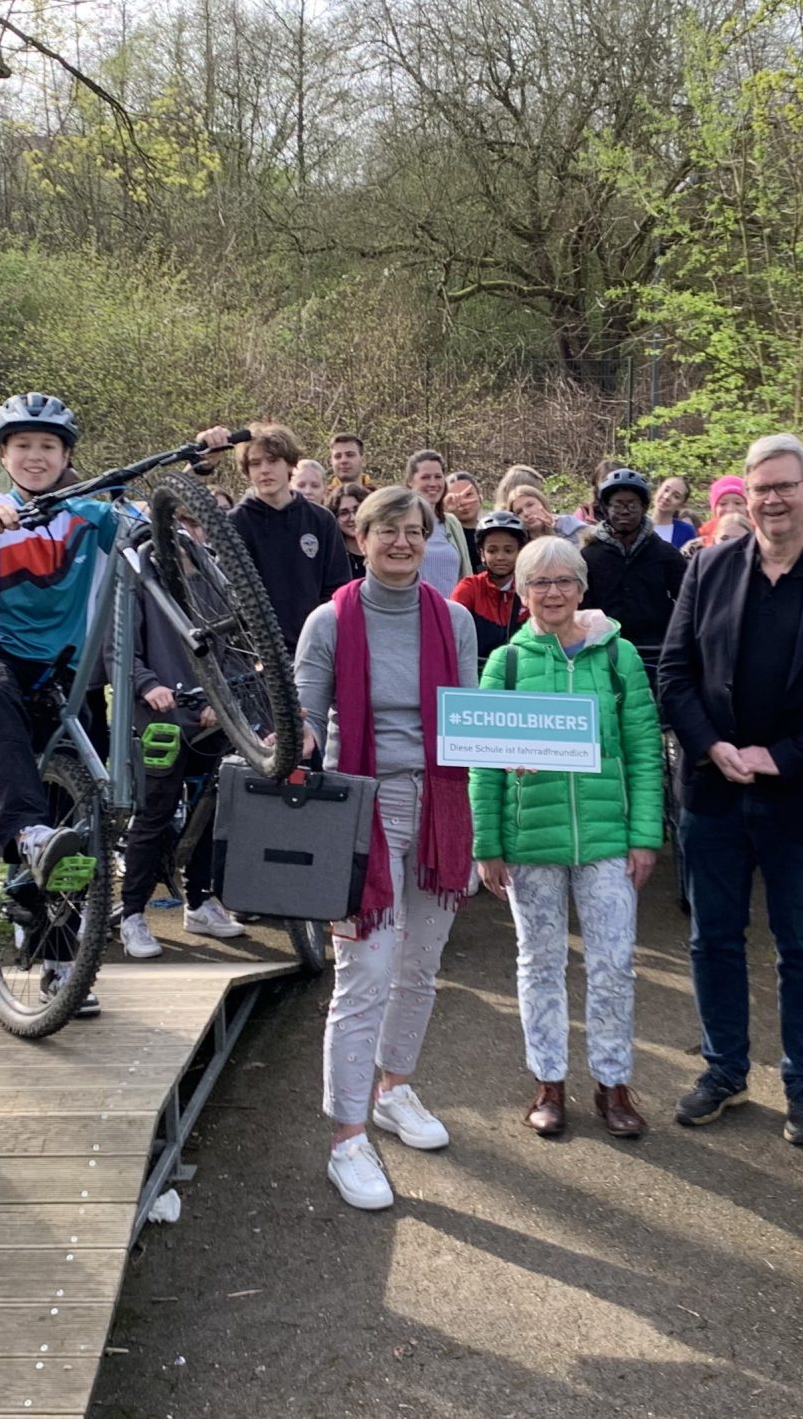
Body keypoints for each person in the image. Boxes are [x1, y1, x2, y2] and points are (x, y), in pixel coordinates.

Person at [0, 394, 234, 1018]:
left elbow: (159, 518)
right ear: (4, 455)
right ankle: (25, 837)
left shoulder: (94, 515)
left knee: (78, 819)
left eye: (48, 446)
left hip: (67, 676)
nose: (35, 456)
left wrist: (195, 462)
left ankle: (61, 959)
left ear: (67, 455)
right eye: (22, 446)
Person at [659, 434, 803, 1147]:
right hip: (715, 789)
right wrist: (713, 746)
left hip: (802, 791)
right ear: (747, 495)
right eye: (761, 488)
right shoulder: (709, 568)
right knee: (713, 940)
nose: (773, 499)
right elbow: (675, 673)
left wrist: (783, 757)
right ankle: (724, 1070)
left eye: (787, 486)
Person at [293, 486, 479, 1210]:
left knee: (420, 967)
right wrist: (298, 737)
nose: (402, 542)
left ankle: (393, 1089)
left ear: (429, 540)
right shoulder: (329, 620)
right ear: (360, 537)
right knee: (364, 973)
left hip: (441, 807)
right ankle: (346, 1137)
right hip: (361, 810)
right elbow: (308, 714)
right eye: (388, 530)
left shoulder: (454, 619)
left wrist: (508, 750)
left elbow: (468, 715)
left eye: (414, 531)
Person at [473, 535, 661, 1138]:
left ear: (582, 587)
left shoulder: (618, 657)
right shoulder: (505, 663)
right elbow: (484, 762)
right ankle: (548, 1081)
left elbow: (644, 752)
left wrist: (645, 835)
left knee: (614, 965)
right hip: (530, 840)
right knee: (539, 964)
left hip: (608, 840)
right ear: (523, 593)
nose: (552, 592)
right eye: (539, 582)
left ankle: (613, 1083)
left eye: (564, 581)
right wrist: (488, 844)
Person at [112, 516, 238, 959]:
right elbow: (120, 649)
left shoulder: (214, 584)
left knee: (211, 813)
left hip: (209, 717)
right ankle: (133, 914)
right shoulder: (138, 584)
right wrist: (148, 685)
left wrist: (220, 698)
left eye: (191, 526)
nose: (182, 537)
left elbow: (234, 650)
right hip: (160, 720)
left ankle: (200, 902)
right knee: (155, 815)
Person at [228, 425, 349, 651]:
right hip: (256, 653)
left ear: (291, 464)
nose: (264, 470)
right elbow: (226, 595)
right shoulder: (233, 524)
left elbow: (337, 590)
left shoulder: (321, 520)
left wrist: (321, 639)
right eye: (255, 463)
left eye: (273, 461)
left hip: (314, 647)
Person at [581, 467, 688, 676]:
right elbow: (580, 608)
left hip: (657, 654)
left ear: (644, 507)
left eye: (632, 505)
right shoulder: (589, 556)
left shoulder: (665, 554)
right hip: (604, 652)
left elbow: (688, 602)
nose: (625, 511)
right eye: (617, 505)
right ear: (605, 508)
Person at [450, 510, 529, 666]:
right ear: (482, 554)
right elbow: (451, 632)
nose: (500, 557)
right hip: (476, 672)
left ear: (520, 552)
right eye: (492, 551)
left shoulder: (530, 590)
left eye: (508, 550)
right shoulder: (469, 588)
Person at [406, 449, 474, 596]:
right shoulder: (400, 523)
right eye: (425, 477)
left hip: (451, 608)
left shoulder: (452, 523)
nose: (433, 483)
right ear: (410, 481)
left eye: (438, 477)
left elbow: (465, 575)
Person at [332, 483, 369, 580]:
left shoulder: (382, 550)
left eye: (357, 510)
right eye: (344, 513)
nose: (353, 518)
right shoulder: (331, 557)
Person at [696, 475, 748, 546]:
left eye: (738, 503)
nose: (730, 509)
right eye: (723, 504)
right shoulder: (700, 540)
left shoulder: (761, 535)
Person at [443, 471, 483, 560]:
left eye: (468, 494)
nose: (462, 502)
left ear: (479, 495)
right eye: (454, 498)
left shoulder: (491, 531)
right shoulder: (444, 534)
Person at [652, 475, 697, 548]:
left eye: (676, 496)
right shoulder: (637, 523)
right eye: (666, 490)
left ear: (681, 505)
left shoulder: (686, 532)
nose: (667, 497)